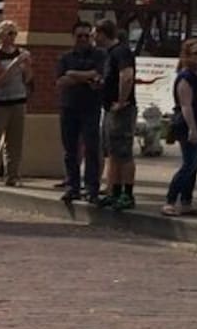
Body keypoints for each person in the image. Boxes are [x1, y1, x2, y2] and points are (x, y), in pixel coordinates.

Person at [162, 38, 197, 216]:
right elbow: (186, 105)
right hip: (188, 125)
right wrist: (192, 128)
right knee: (188, 164)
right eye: (196, 53)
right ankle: (170, 200)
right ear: (187, 56)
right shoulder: (186, 77)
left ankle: (186, 201)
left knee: (196, 165)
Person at [55, 21, 107, 203]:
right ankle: (72, 186)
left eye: (87, 35)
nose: (84, 39)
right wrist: (87, 77)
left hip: (91, 108)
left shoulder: (100, 55)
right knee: (70, 150)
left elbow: (99, 75)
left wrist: (74, 75)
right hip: (68, 107)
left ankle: (92, 188)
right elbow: (61, 82)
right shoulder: (65, 57)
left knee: (92, 149)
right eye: (80, 36)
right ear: (73, 37)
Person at [95, 19, 138, 210]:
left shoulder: (121, 52)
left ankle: (127, 194)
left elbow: (127, 76)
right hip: (108, 109)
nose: (93, 37)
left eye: (95, 33)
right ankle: (114, 191)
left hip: (122, 110)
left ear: (104, 33)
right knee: (112, 152)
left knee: (123, 152)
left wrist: (121, 101)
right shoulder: (108, 54)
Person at [0, 20, 32, 186]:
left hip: (18, 100)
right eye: (9, 33)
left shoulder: (20, 53)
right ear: (1, 35)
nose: (12, 37)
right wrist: (15, 63)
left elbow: (28, 78)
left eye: (14, 33)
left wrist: (27, 66)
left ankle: (13, 176)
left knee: (15, 142)